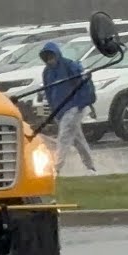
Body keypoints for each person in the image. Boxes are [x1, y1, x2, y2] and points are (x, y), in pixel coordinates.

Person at [40, 41, 97, 173]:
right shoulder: (47, 72)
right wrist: (54, 111)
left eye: (51, 57)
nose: (50, 61)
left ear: (57, 55)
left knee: (64, 136)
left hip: (74, 106)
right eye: (47, 58)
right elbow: (49, 92)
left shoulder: (70, 66)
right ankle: (91, 167)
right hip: (60, 109)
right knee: (78, 139)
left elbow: (83, 85)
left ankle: (56, 168)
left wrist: (82, 103)